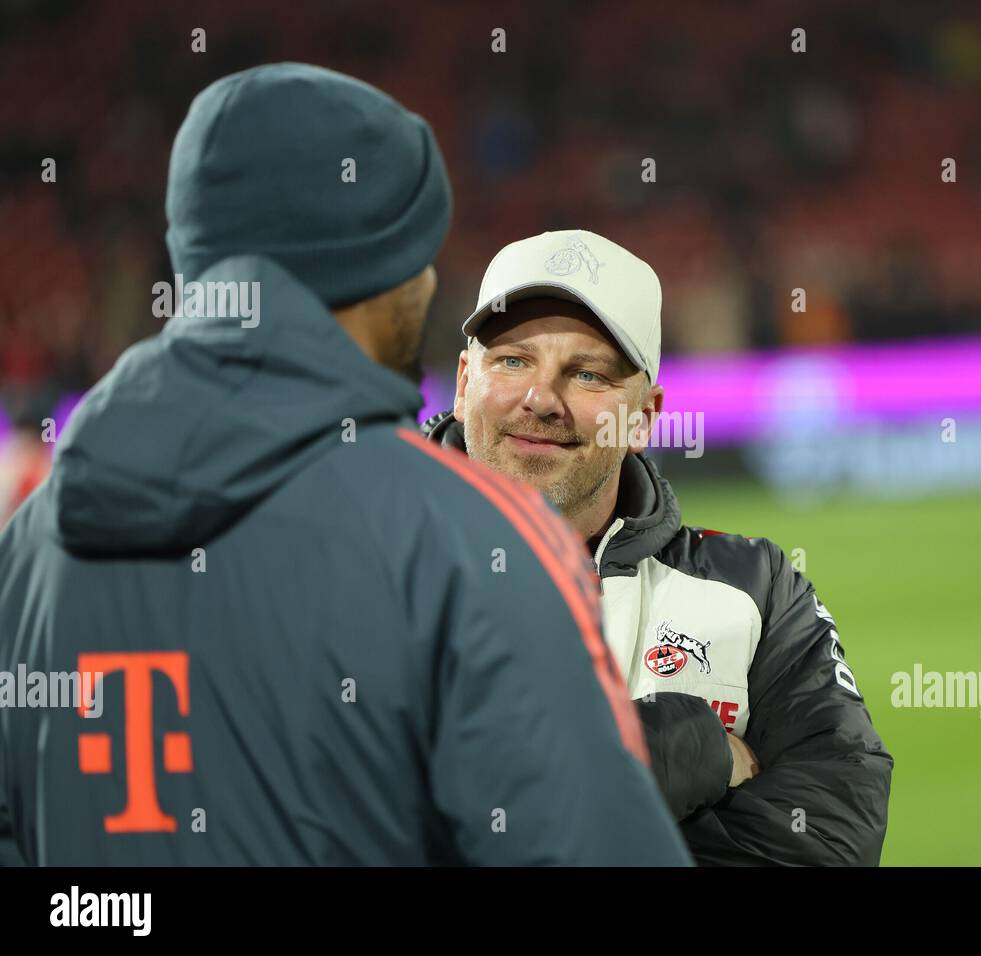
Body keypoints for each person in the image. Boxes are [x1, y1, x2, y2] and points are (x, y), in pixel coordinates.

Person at [0, 66, 690, 867]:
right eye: (422, 254)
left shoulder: (30, 549)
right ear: (384, 273)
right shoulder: (472, 545)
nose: (430, 283)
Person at [424, 229, 893, 865]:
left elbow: (834, 837)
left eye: (586, 374)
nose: (540, 400)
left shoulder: (758, 590)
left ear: (644, 415)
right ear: (461, 381)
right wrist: (690, 751)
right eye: (512, 361)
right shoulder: (368, 566)